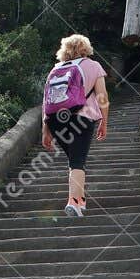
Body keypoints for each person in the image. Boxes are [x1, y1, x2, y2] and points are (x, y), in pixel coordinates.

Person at [40, 34, 109, 217]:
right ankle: (73, 202)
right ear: (86, 48)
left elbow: (46, 100)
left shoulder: (55, 69)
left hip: (56, 120)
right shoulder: (93, 66)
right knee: (77, 161)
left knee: (75, 160)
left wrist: (45, 129)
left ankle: (81, 200)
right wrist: (104, 121)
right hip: (81, 119)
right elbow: (102, 97)